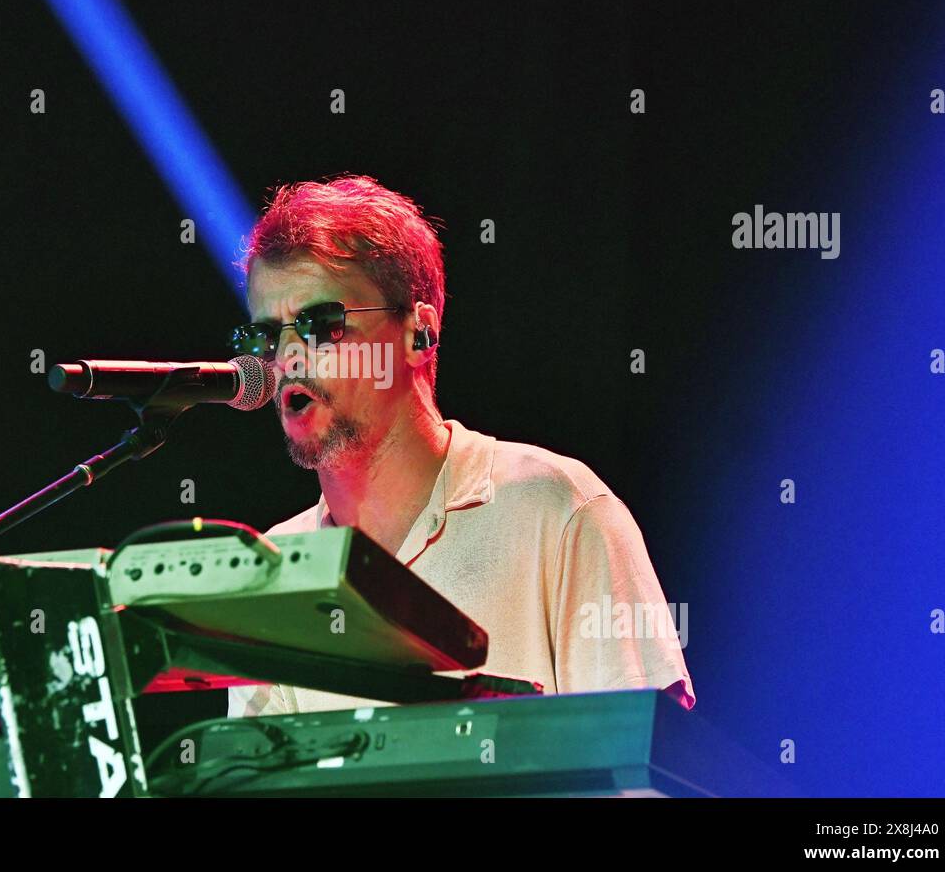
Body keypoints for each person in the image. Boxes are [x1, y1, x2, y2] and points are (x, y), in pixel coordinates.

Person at [226, 175, 694, 717]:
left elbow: (637, 762)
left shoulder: (558, 510)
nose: (287, 357)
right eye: (266, 334)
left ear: (418, 332)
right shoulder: (271, 571)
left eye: (320, 323)